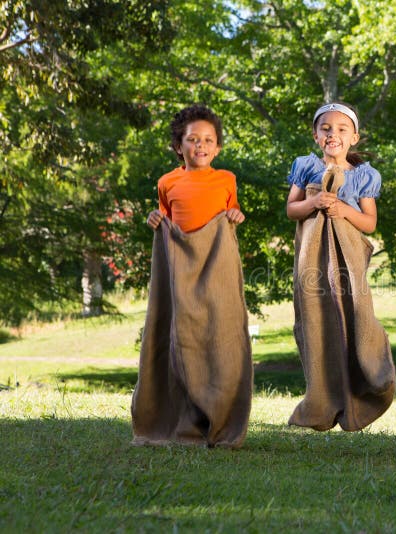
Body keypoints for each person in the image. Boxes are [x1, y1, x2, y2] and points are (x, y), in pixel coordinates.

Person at [131, 104, 253, 449]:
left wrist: (235, 214)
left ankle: (220, 417)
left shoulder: (226, 179)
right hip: (180, 271)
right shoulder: (167, 182)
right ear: (178, 145)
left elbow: (231, 212)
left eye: (208, 140)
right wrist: (155, 218)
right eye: (193, 139)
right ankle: (177, 417)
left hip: (215, 268)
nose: (201, 146)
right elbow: (166, 219)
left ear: (217, 147)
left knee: (219, 334)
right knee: (179, 336)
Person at [285, 102, 395, 432]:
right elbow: (292, 209)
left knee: (354, 318)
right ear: (316, 135)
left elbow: (370, 222)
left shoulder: (363, 175)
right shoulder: (305, 166)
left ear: (355, 137)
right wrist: (314, 203)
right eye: (326, 129)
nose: (334, 134)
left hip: (347, 261)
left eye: (342, 129)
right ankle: (319, 400)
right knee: (317, 322)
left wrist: (343, 211)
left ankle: (364, 389)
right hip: (313, 260)